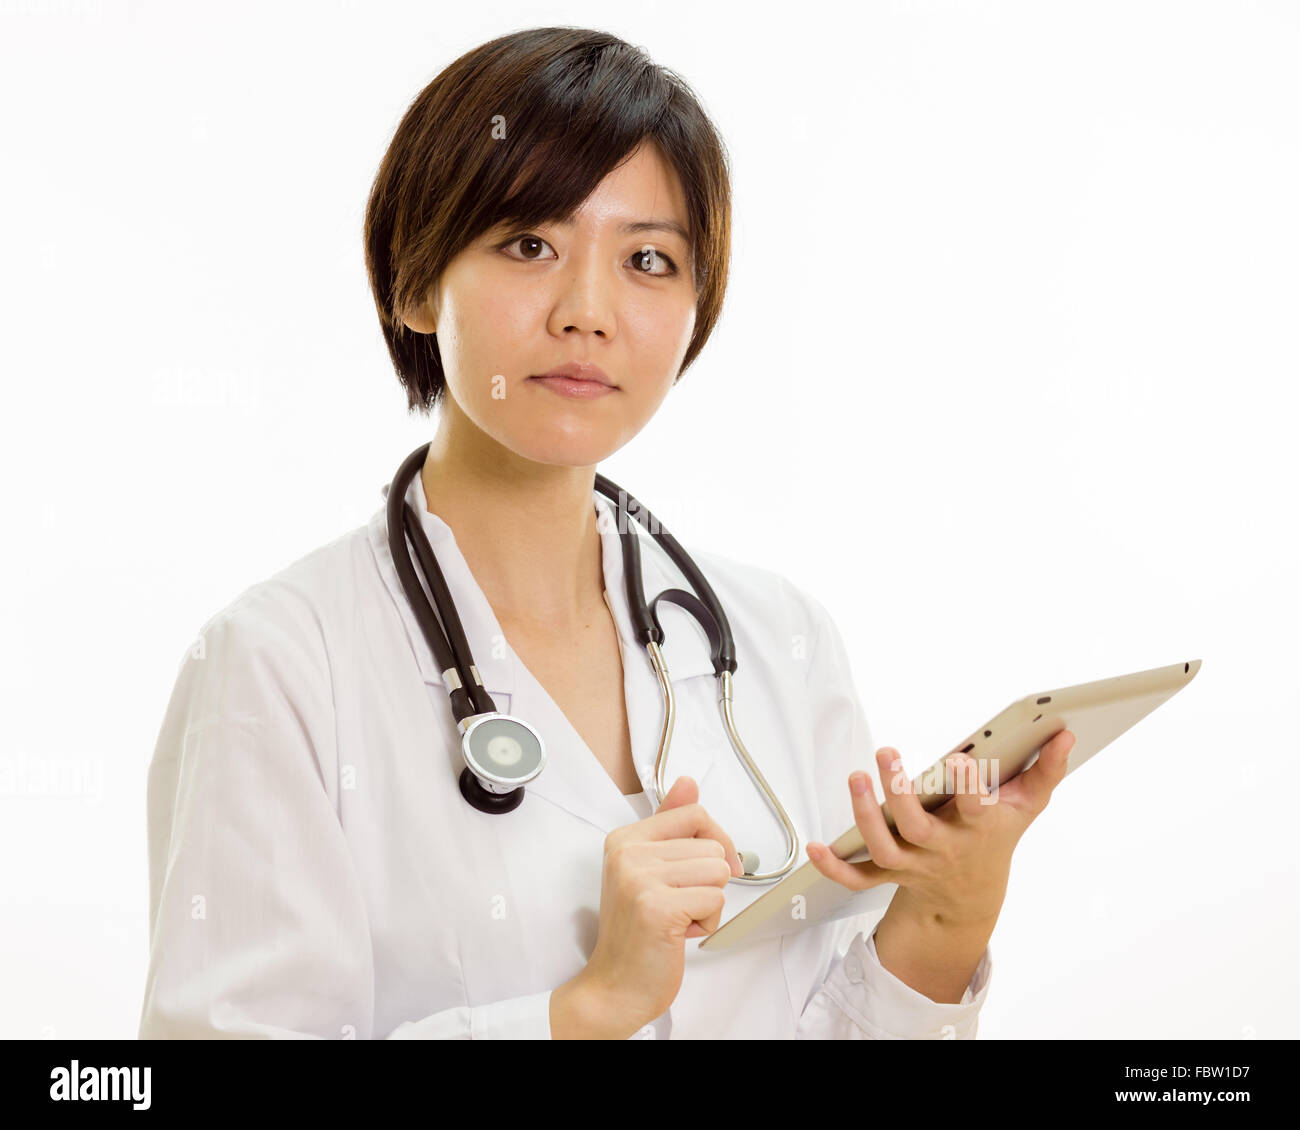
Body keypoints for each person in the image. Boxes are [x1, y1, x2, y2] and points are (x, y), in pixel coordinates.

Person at [138, 26, 1075, 1040]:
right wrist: (581, 1011)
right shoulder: (280, 664)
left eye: (647, 258)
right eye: (530, 244)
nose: (589, 310)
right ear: (413, 281)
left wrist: (946, 914)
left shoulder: (779, 639)